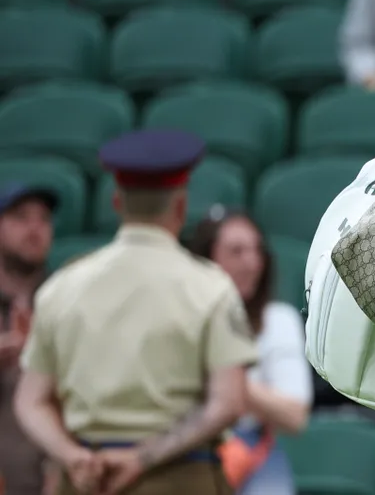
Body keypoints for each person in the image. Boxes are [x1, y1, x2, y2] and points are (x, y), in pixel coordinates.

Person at [14, 130, 259, 495]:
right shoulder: (211, 287)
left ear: (116, 202)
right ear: (180, 205)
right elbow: (228, 404)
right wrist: (142, 459)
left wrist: (72, 456)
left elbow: (30, 401)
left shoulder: (60, 287)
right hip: (178, 478)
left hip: (86, 479)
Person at [189, 209, 312, 495]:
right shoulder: (181, 317)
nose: (252, 262)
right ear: (207, 258)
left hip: (250, 444)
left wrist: (225, 374)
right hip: (188, 440)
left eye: (257, 250)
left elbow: (295, 415)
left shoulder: (278, 319)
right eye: (236, 251)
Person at [0, 184, 57, 495]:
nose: (35, 229)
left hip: (51, 476)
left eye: (44, 220)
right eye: (21, 218)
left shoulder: (67, 302)